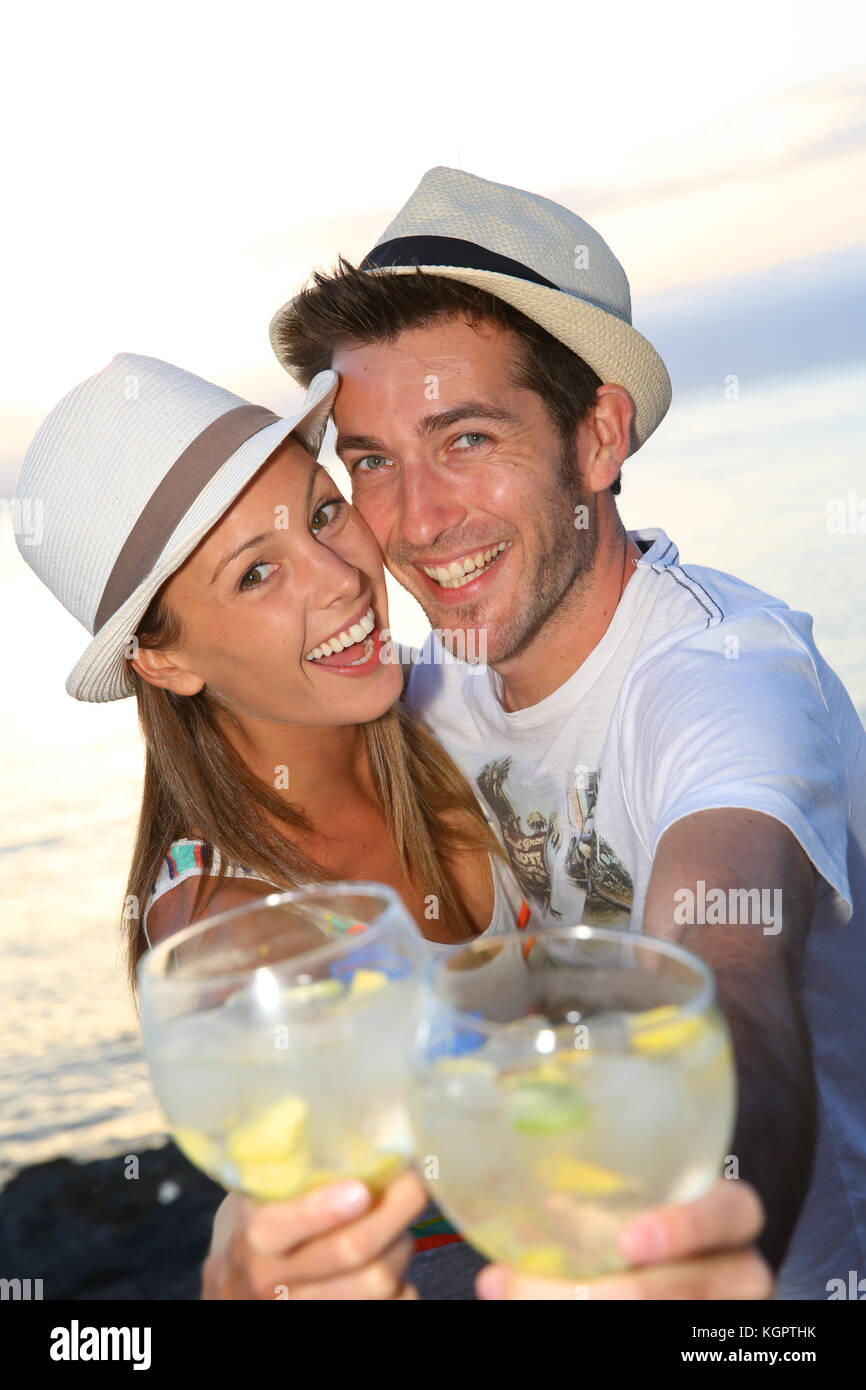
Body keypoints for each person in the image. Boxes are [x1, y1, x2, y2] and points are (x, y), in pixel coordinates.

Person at [16, 350, 771, 1302]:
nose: (339, 577)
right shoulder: (227, 928)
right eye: (257, 574)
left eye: (323, 511)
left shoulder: (453, 717)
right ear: (162, 662)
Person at [263, 165, 866, 1301]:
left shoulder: (722, 680)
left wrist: (684, 1222)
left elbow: (726, 967)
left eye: (468, 440)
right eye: (373, 461)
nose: (414, 520)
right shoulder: (429, 691)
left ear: (597, 438)